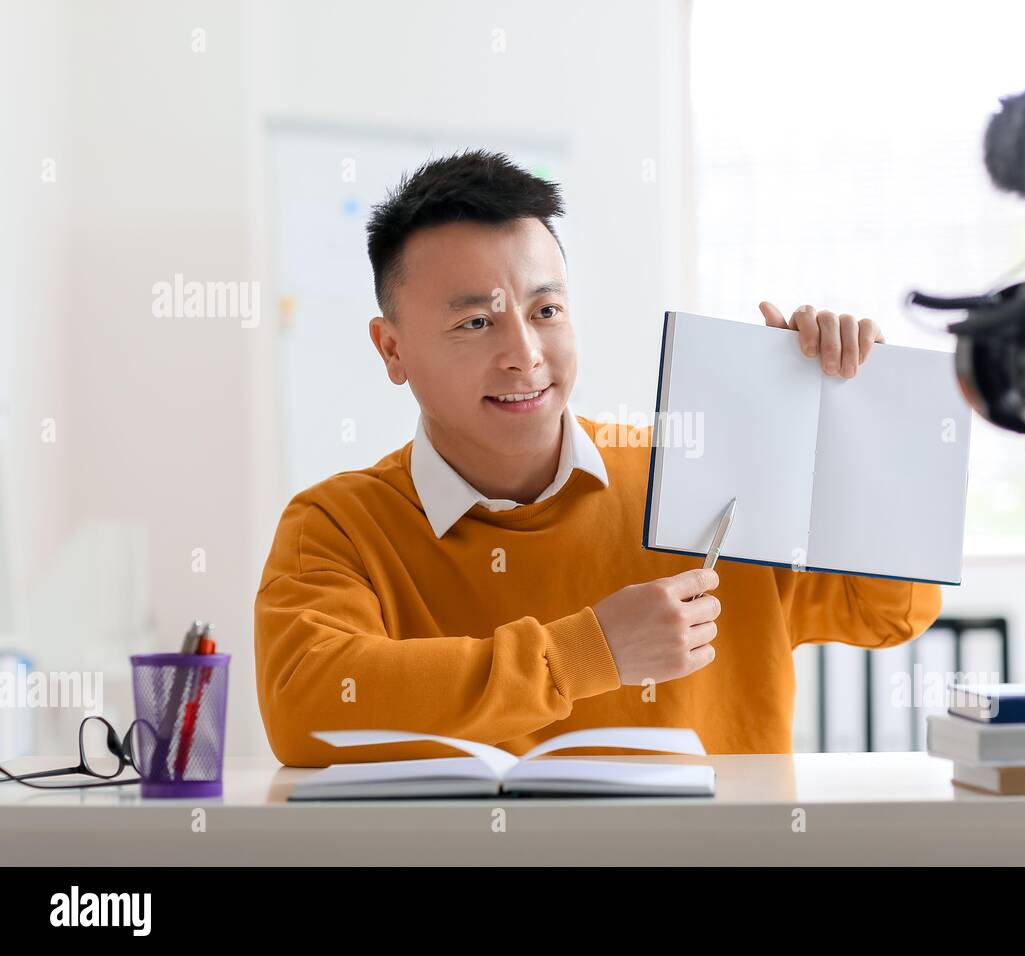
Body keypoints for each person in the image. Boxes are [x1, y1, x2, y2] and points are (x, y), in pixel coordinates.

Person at [254, 149, 942, 766]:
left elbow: (891, 610)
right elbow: (307, 709)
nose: (524, 354)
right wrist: (588, 655)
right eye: (475, 322)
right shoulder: (338, 525)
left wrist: (857, 416)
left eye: (546, 311)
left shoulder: (698, 478)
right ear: (392, 350)